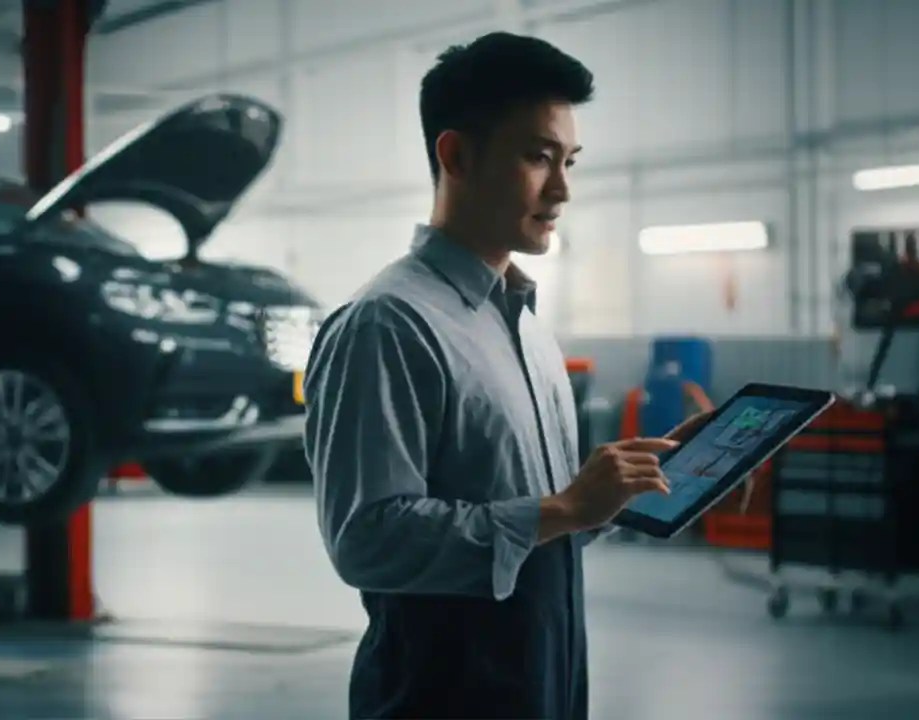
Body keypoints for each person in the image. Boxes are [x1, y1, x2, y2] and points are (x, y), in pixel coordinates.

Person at [302, 32, 709, 719]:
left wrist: (633, 484)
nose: (563, 188)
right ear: (456, 155)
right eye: (537, 157)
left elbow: (541, 518)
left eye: (570, 160)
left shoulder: (524, 324)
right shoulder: (388, 324)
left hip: (542, 680)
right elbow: (366, 539)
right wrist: (566, 507)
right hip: (439, 697)